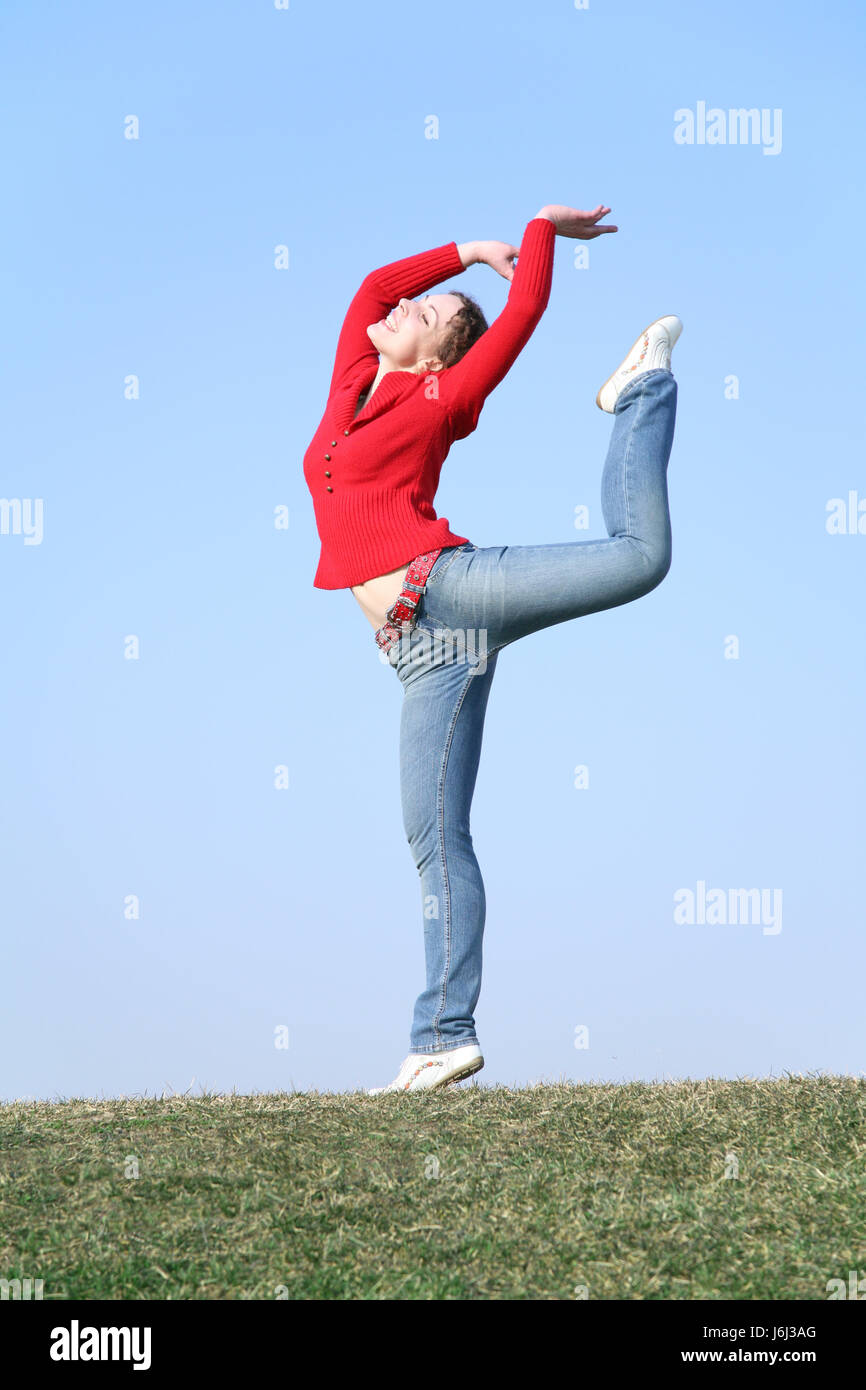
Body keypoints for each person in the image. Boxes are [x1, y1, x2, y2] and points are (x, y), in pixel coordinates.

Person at [302, 203, 681, 1094]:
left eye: (427, 314)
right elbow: (371, 288)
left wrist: (540, 228)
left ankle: (645, 391)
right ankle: (443, 1038)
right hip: (416, 651)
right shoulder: (353, 383)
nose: (409, 308)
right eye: (420, 304)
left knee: (641, 559)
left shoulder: (446, 394)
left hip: (449, 589)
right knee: (435, 837)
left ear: (438, 357)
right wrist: (467, 252)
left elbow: (520, 316)